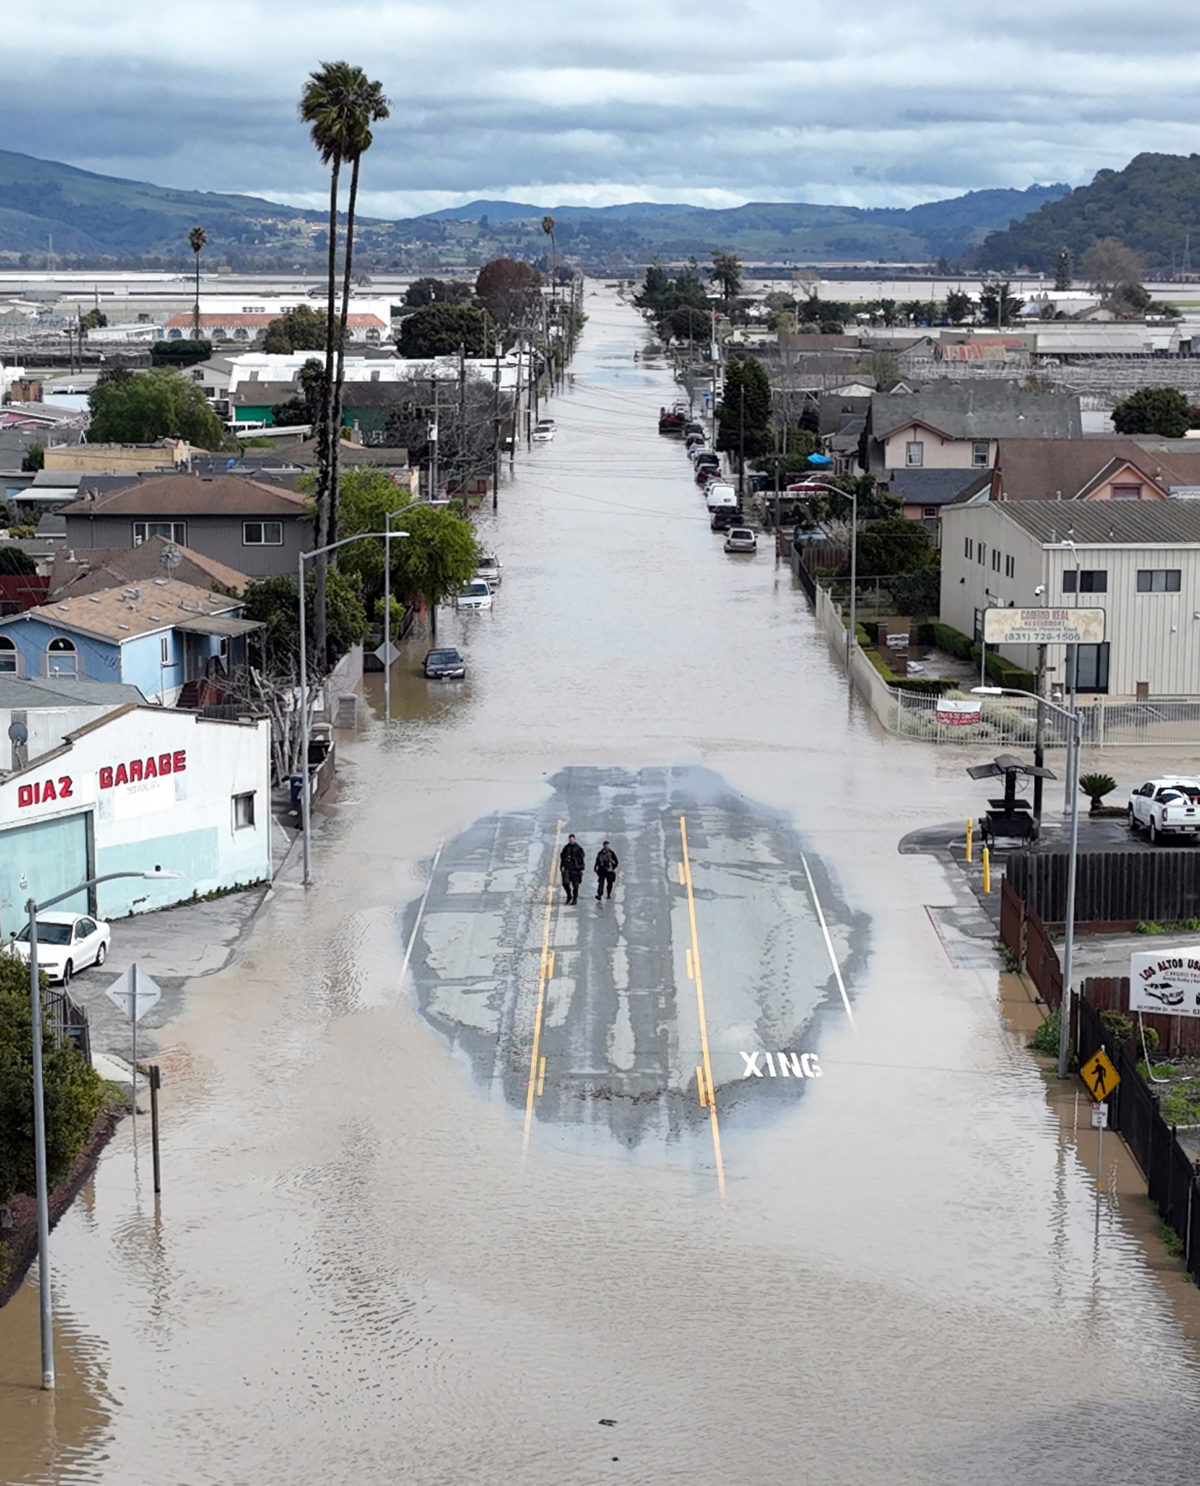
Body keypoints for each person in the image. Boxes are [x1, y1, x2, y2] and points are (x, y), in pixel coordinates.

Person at [560, 833, 585, 904]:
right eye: (570, 839)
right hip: (567, 868)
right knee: (565, 883)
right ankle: (569, 895)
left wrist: (582, 868)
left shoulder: (578, 848)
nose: (571, 841)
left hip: (575, 868)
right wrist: (562, 866)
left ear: (574, 839)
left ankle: (575, 898)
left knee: (575, 885)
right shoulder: (566, 847)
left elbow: (581, 859)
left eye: (572, 839)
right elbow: (562, 857)